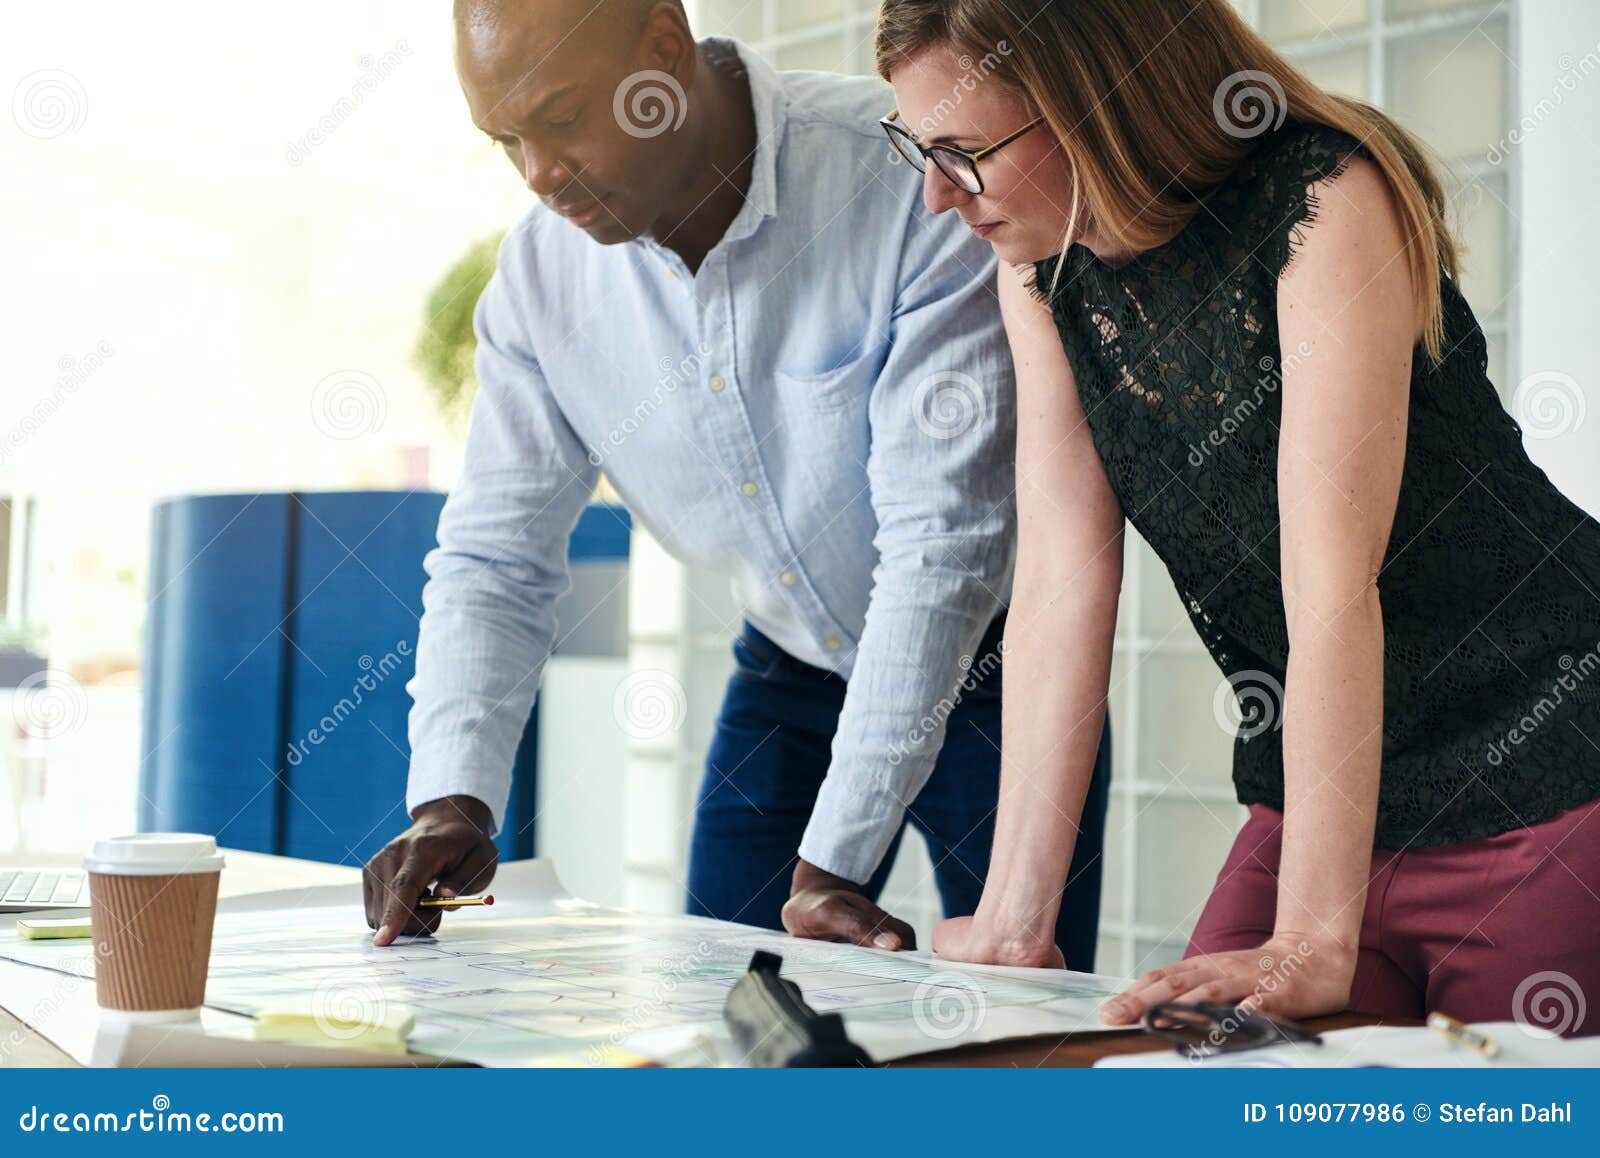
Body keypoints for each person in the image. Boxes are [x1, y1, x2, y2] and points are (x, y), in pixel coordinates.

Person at [875, 0, 1600, 1033]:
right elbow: (1059, 583)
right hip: (1321, 799)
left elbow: (1329, 588)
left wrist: (1308, 939)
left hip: (1546, 766)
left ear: (1092, 103)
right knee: (1194, 1088)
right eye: (916, 148)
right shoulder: (1039, 266)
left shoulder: (1323, 197)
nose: (938, 196)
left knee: (1488, 1125)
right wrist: (1009, 919)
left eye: (964, 152)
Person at [362, 0, 1114, 969]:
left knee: (1026, 1033)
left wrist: (831, 863)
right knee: (727, 1015)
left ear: (664, 49)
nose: (539, 175)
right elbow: (493, 564)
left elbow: (941, 548)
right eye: (506, 141)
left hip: (996, 670)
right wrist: (451, 799)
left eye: (558, 116)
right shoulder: (540, 290)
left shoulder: (903, 183)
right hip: (788, 668)